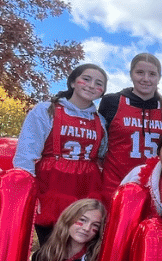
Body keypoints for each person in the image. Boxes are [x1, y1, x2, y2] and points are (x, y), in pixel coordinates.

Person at [13, 64, 108, 244]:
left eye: (98, 83)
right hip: (52, 186)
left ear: (102, 91)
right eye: (86, 79)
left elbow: (103, 157)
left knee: (82, 247)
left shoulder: (100, 120)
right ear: (73, 82)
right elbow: (25, 154)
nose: (91, 85)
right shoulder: (46, 110)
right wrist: (29, 193)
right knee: (50, 246)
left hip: (87, 187)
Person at [98, 53, 162, 197]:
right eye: (140, 72)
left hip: (153, 185)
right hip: (115, 183)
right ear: (131, 74)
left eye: (152, 74)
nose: (146, 79)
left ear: (159, 77)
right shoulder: (112, 101)